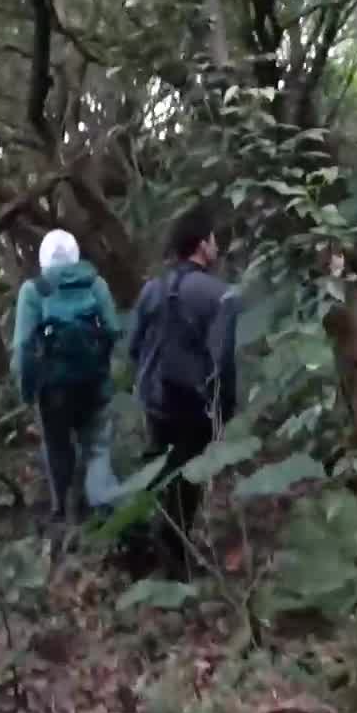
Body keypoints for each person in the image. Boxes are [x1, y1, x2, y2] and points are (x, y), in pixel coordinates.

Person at [128, 203, 241, 575]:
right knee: (188, 483)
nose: (217, 246)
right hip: (195, 407)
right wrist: (224, 412)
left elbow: (133, 347)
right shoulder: (221, 295)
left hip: (156, 401)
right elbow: (222, 362)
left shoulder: (151, 290)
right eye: (212, 239)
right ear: (201, 245)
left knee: (164, 474)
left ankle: (152, 546)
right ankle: (174, 561)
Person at [11, 229, 126, 524]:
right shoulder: (95, 284)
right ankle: (108, 512)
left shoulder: (33, 291)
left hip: (53, 391)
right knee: (98, 448)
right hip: (95, 383)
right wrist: (99, 360)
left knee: (57, 446)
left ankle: (62, 508)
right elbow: (113, 329)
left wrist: (27, 391)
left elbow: (23, 347)